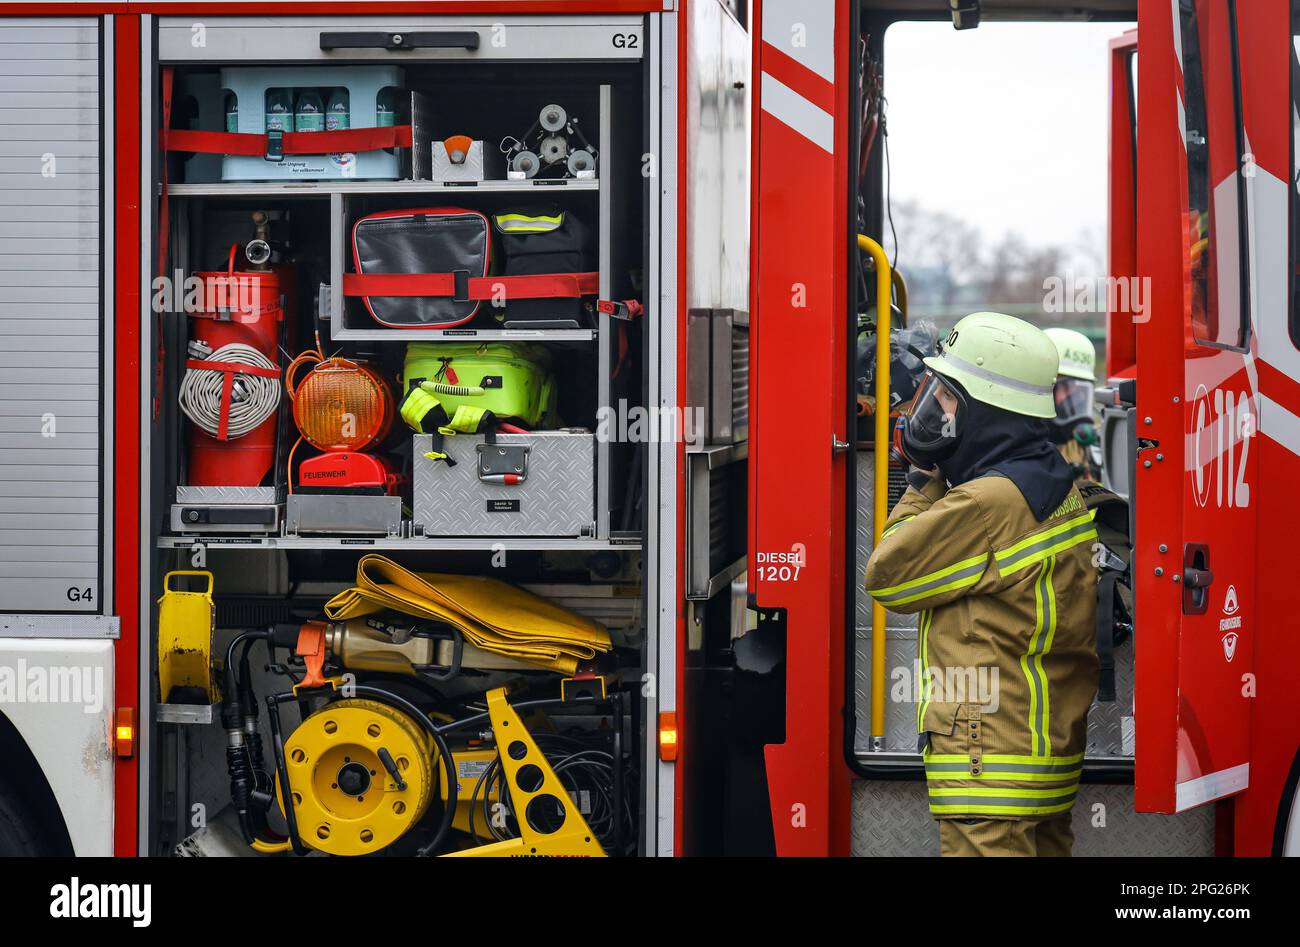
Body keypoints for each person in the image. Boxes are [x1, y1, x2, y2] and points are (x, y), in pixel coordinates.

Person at [865, 311, 1098, 857]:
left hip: (986, 759)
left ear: (987, 411)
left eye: (947, 398)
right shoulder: (1050, 480)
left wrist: (921, 482)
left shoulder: (985, 502)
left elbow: (887, 576)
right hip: (1038, 755)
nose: (931, 410)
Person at [1044, 327, 1101, 484]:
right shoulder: (1021, 448)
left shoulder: (1094, 448)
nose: (1077, 398)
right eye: (1068, 389)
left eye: (1082, 390)